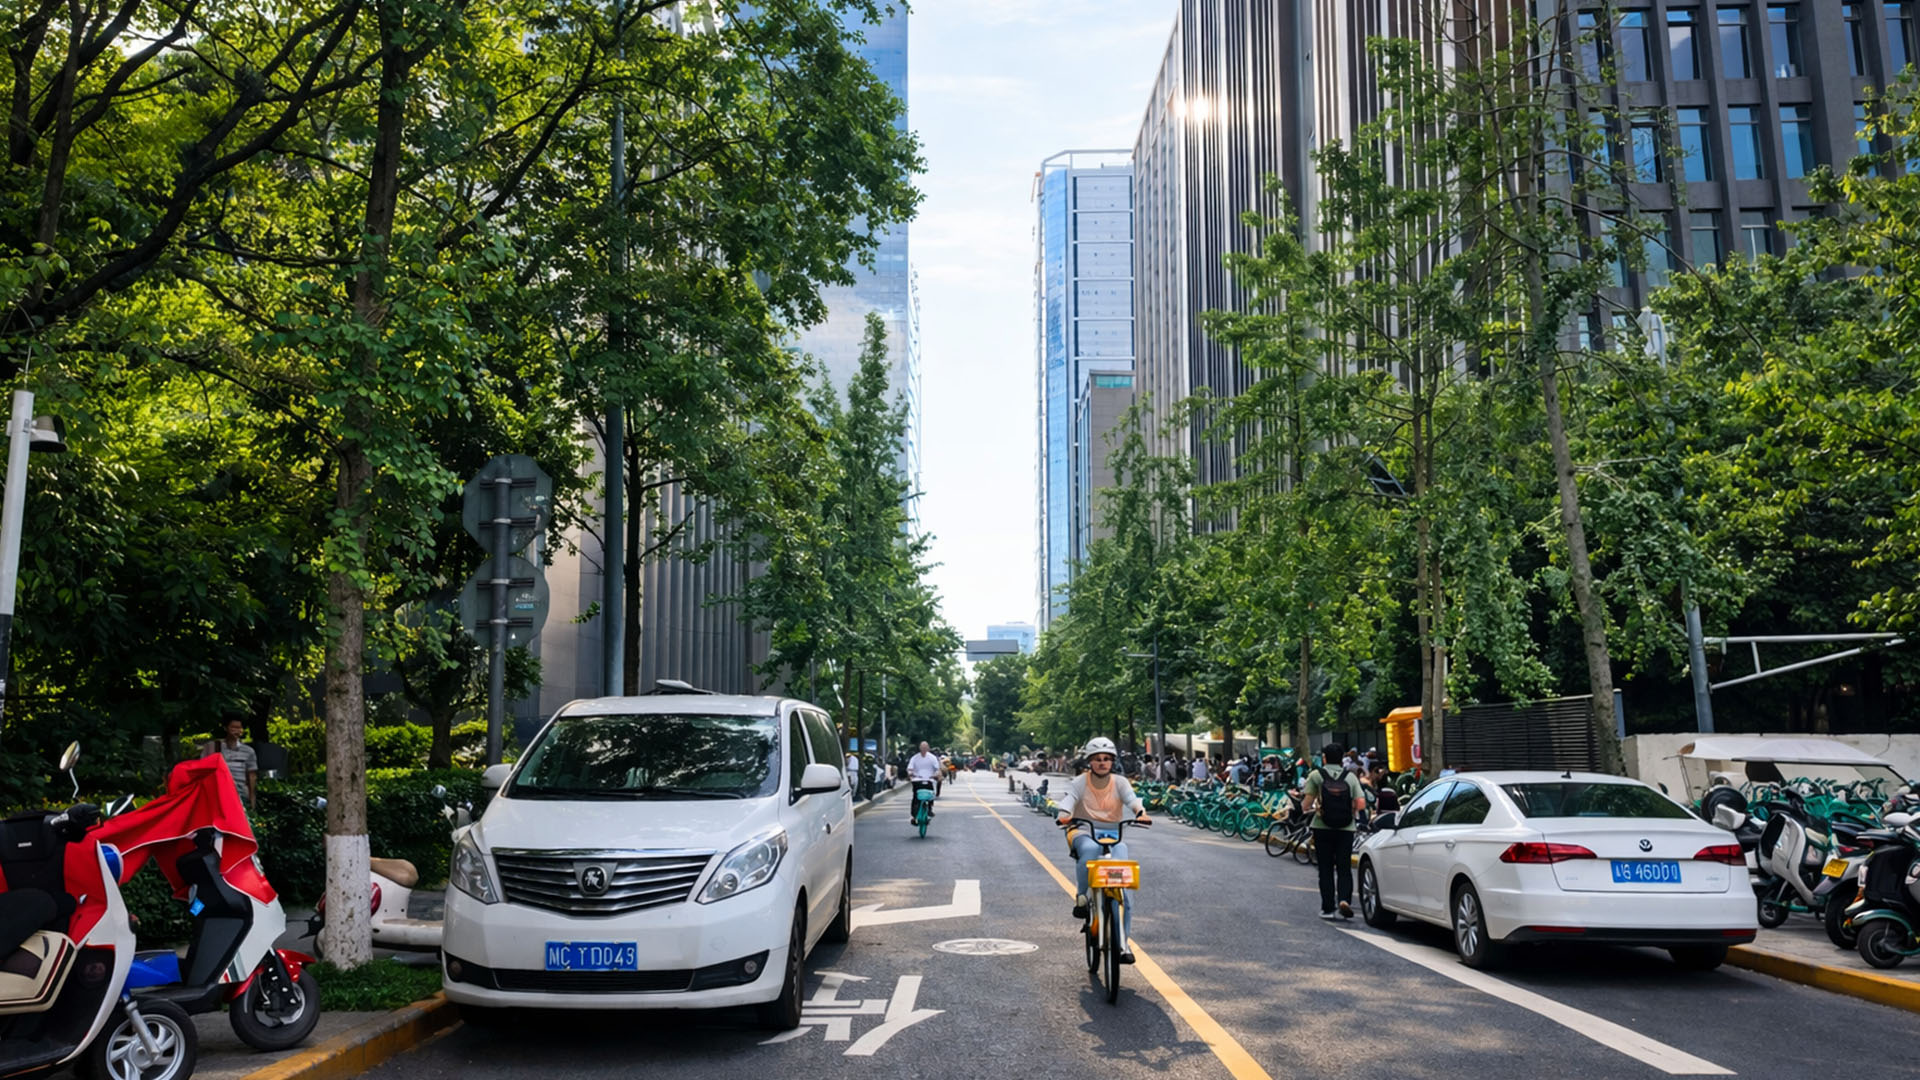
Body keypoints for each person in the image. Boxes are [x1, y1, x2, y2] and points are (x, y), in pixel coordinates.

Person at [1055, 736, 1150, 962]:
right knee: (1088, 849)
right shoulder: (1080, 782)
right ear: (1090, 761)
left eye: (1106, 759)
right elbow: (1069, 800)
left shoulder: (1120, 782)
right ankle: (1082, 897)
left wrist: (1140, 812)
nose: (1102, 763)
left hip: (1113, 834)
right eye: (1097, 759)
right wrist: (1064, 814)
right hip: (1082, 829)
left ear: (1112, 761)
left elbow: (1132, 799)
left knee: (1125, 890)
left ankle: (1123, 944)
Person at [1302, 743, 1365, 920]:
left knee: (1325, 868)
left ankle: (1328, 908)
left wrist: (1311, 808)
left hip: (1322, 828)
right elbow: (1361, 803)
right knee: (1344, 867)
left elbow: (1306, 804)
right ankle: (1344, 899)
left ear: (1324, 758)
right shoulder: (1350, 777)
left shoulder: (1316, 775)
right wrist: (1351, 811)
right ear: (1342, 758)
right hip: (1346, 828)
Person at [202, 717, 258, 811]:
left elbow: (252, 775)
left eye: (239, 728)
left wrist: (252, 798)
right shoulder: (213, 747)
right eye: (233, 727)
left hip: (240, 795)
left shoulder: (248, 751)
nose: (237, 731)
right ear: (226, 728)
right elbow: (202, 770)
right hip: (218, 796)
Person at [906, 741, 943, 820]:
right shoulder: (914, 758)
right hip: (917, 780)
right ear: (920, 748)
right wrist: (910, 774)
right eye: (922, 748)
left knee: (930, 795)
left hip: (929, 779)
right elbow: (910, 768)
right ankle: (914, 814)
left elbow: (937, 769)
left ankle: (929, 809)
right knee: (916, 796)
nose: (924, 749)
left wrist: (936, 775)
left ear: (928, 748)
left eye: (925, 748)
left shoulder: (932, 758)